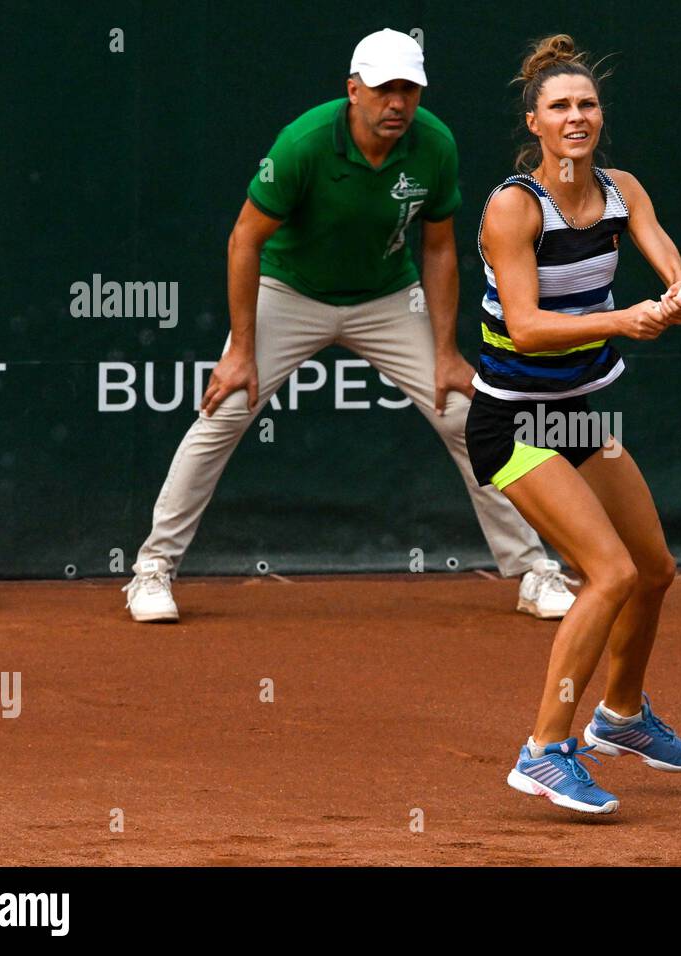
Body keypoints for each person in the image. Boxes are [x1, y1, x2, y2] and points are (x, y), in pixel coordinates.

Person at [122, 28, 577, 624]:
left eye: (409, 90)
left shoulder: (435, 144)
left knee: (467, 417)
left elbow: (439, 249)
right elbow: (244, 240)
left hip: (389, 298)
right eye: (385, 90)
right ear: (353, 90)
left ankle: (532, 571)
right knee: (224, 410)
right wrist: (241, 348)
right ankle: (152, 571)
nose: (397, 104)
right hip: (290, 292)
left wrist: (444, 350)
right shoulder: (303, 143)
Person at [469, 34, 681, 815]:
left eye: (587, 105)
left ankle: (622, 716)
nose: (577, 117)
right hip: (512, 421)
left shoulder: (621, 189)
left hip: (580, 413)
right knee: (611, 574)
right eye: (560, 107)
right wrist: (624, 318)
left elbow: (663, 253)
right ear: (534, 123)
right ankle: (543, 750)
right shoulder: (513, 207)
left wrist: (677, 288)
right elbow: (529, 327)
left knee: (655, 568)